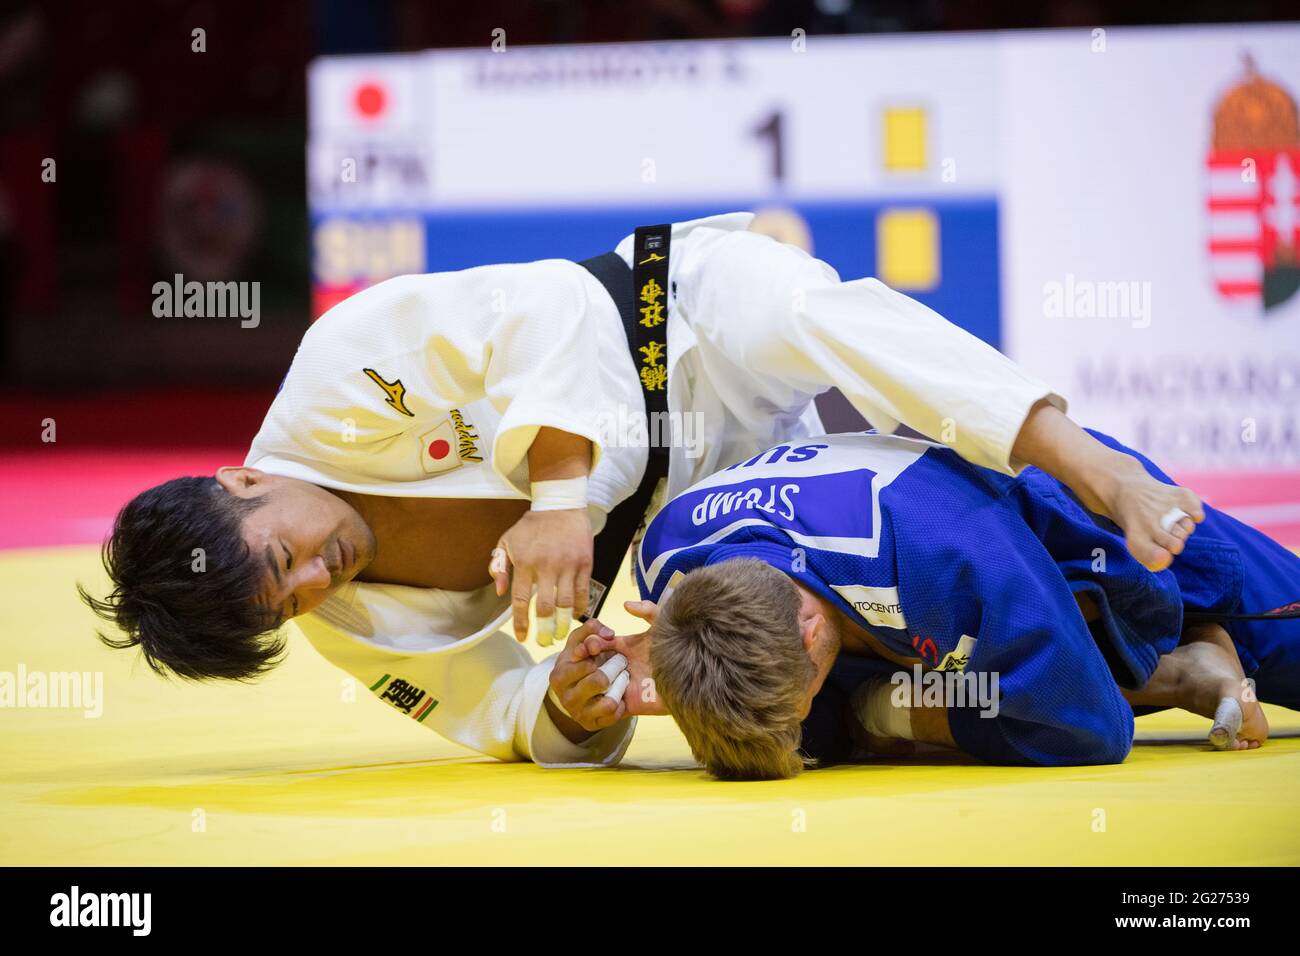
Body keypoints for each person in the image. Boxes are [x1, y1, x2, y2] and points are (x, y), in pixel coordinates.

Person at [81, 211, 1202, 769]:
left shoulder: (338, 368)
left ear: (244, 479)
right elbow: (493, 713)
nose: (321, 578)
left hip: (681, 323)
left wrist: (561, 492)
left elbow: (556, 311)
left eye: (288, 554)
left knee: (826, 313)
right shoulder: (350, 624)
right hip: (702, 500)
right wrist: (568, 704)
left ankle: (1088, 462)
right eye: (296, 602)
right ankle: (1150, 671)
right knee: (776, 686)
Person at [619, 430, 1299, 779]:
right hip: (915, 583)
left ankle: (1188, 654)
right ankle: (1183, 672)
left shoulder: (945, 560)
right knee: (813, 729)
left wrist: (882, 710)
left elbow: (1090, 731)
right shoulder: (664, 567)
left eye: (807, 681)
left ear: (806, 622)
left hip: (1114, 545)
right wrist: (673, 680)